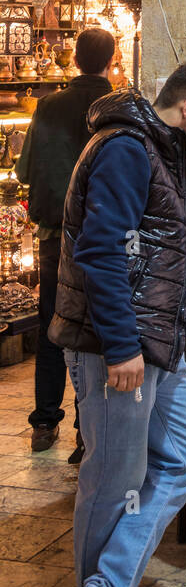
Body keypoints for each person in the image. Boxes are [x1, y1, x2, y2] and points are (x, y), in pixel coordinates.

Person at [50, 61, 186, 587]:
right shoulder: (126, 150)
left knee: (181, 459)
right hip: (119, 350)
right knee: (113, 480)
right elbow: (101, 252)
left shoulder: (162, 152)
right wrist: (122, 346)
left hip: (162, 345)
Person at [16, 28, 115, 456]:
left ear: (74, 59)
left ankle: (44, 422)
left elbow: (24, 172)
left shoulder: (48, 106)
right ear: (111, 62)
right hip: (103, 242)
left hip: (55, 237)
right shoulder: (117, 111)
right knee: (94, 334)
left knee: (53, 329)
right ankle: (85, 430)